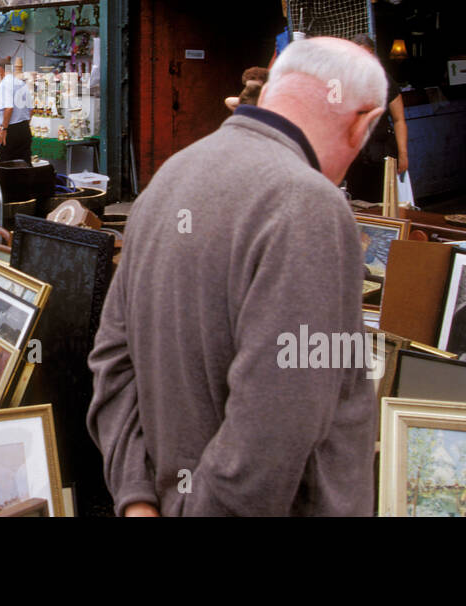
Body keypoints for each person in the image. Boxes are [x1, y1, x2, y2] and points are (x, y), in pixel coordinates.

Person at [87, 36, 386, 516]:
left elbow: (111, 361)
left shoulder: (170, 175)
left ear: (272, 91)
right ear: (364, 123)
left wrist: (136, 498)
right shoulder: (309, 203)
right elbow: (274, 424)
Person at [343, 33, 408, 204]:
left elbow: (399, 120)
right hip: (353, 156)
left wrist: (403, 154)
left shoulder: (386, 82)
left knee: (381, 205)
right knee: (353, 205)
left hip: (381, 154)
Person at [0, 55, 32, 166]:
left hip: (11, 129)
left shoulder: (5, 84)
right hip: (24, 128)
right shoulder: (21, 83)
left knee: (4, 165)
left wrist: (4, 129)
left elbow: (9, 108)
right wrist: (25, 124)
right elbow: (30, 109)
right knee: (24, 164)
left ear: (0, 70)